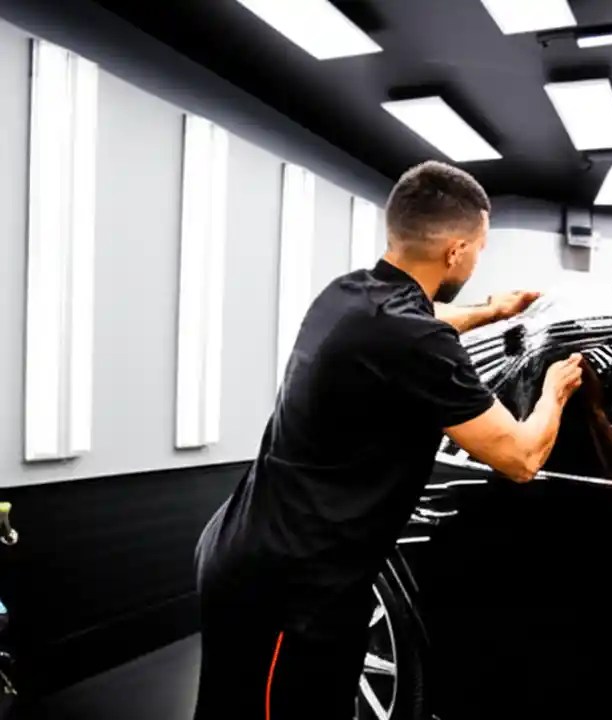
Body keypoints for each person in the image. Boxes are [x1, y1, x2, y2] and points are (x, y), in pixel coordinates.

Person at [192, 160, 584, 719]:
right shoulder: (413, 341)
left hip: (252, 553)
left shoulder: (350, 294)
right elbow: (521, 457)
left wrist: (494, 310)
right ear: (454, 252)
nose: (477, 258)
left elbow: (429, 321)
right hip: (288, 591)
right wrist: (555, 391)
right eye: (477, 247)